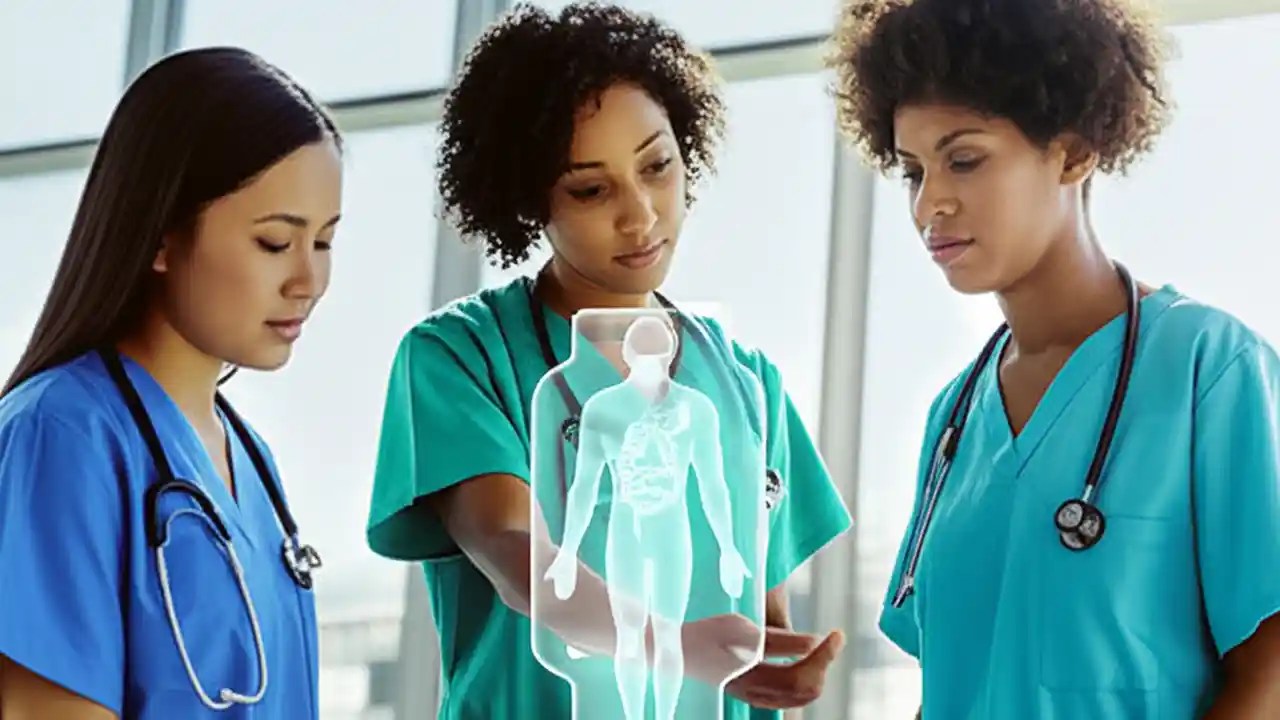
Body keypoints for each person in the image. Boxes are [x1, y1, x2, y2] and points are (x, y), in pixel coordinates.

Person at [364, 3, 852, 719]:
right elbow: (513, 552)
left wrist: (788, 668)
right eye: (592, 189)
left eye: (657, 167)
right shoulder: (461, 355)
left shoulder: (749, 384)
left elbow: (759, 631)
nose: (641, 216)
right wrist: (675, 646)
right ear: (530, 197)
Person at [829, 0, 1280, 717]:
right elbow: (950, 681)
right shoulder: (954, 418)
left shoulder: (1208, 368)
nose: (929, 204)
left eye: (964, 160)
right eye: (913, 172)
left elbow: (1270, 671)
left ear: (1073, 152)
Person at [0, 47, 342, 719]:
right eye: (276, 243)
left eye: (325, 242)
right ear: (160, 236)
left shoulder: (251, 460)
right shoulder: (61, 436)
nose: (308, 281)